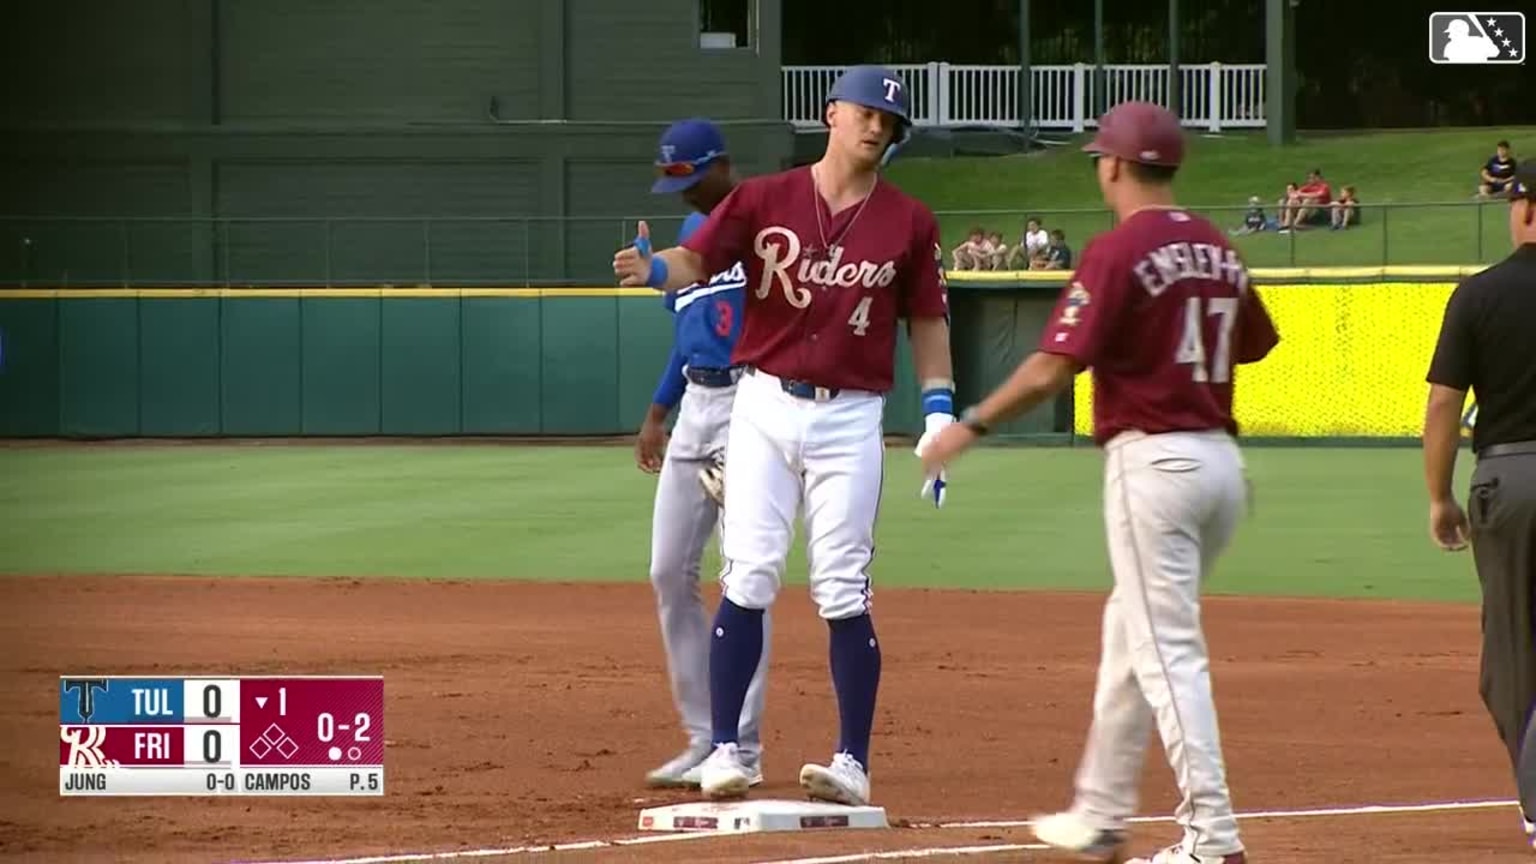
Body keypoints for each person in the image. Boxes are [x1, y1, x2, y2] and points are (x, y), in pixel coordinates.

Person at [918, 100, 1279, 864]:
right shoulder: (1217, 244)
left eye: (1098, 159)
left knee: (1166, 650)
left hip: (1156, 466)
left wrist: (970, 423)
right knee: (1132, 633)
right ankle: (1101, 813)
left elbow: (1053, 365)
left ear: (1113, 164)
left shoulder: (1117, 252)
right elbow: (1255, 346)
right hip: (1220, 462)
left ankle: (1214, 839)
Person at [613, 65, 956, 807]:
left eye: (889, 122)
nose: (876, 127)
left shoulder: (909, 220)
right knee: (750, 573)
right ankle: (727, 750)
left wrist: (938, 412)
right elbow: (697, 259)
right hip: (764, 404)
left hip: (852, 414)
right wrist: (653, 270)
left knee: (842, 587)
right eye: (865, 112)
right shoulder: (767, 197)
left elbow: (927, 319)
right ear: (832, 113)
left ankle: (851, 763)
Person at [633, 118, 772, 791]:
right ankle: (701, 734)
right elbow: (686, 339)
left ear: (722, 164)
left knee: (743, 576)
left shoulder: (768, 227)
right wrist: (658, 412)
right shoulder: (691, 242)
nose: (681, 194)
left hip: (754, 405)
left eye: (688, 180)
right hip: (696, 406)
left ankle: (739, 744)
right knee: (667, 573)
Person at [1423, 160, 1536, 851]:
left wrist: (1438, 497)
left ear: (1523, 210)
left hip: (1509, 482)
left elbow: (1443, 404)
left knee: (1514, 657)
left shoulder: (1478, 295)